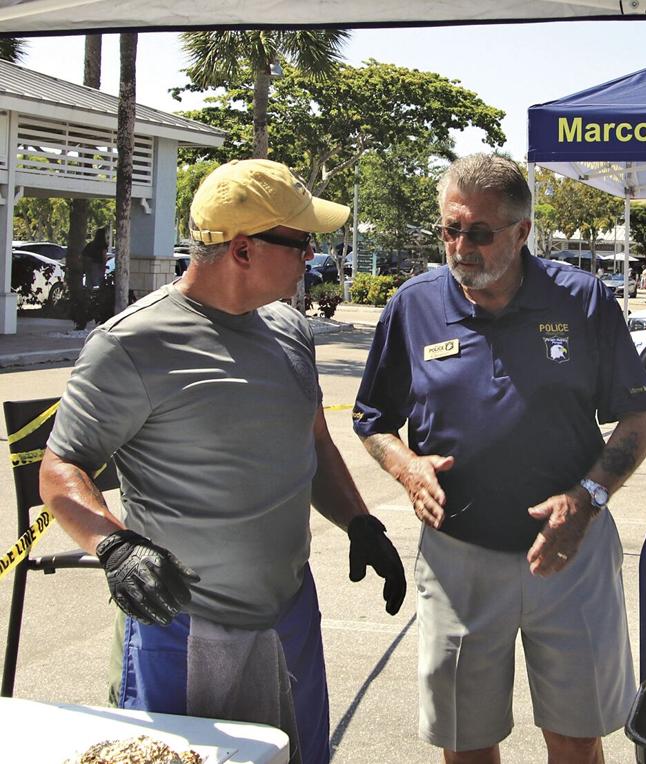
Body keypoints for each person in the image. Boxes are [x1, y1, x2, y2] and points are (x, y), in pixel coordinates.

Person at [39, 159, 406, 764]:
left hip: (288, 615)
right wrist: (113, 546)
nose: (311, 254)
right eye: (300, 242)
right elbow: (61, 468)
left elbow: (313, 442)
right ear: (242, 250)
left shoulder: (290, 329)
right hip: (181, 629)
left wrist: (360, 523)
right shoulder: (130, 345)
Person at [353, 154, 646, 763]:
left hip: (570, 552)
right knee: (465, 739)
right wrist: (406, 467)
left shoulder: (581, 300)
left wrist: (587, 499)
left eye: (480, 232)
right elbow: (372, 421)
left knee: (575, 736)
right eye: (449, 229)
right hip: (458, 557)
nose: (460, 246)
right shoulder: (412, 307)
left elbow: (641, 420)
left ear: (522, 233)